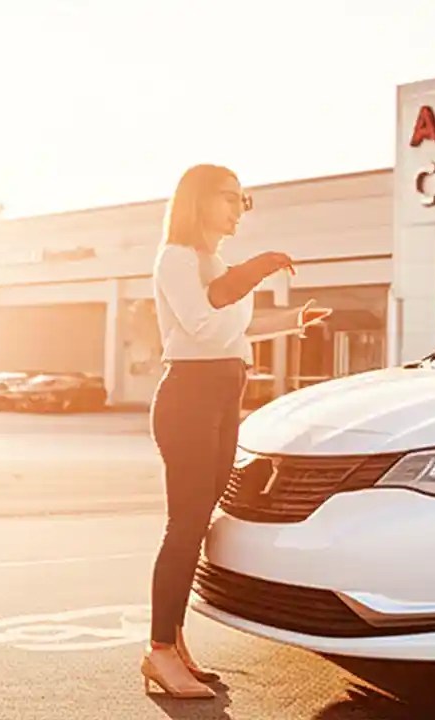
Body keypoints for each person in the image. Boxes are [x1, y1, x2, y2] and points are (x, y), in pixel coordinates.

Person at [140, 163, 296, 699]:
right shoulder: (177, 259)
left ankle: (174, 642)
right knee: (184, 525)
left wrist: (293, 321)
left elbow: (234, 326)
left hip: (226, 394)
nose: (238, 208)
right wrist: (250, 274)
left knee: (199, 518)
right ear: (198, 200)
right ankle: (159, 652)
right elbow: (204, 326)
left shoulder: (217, 264)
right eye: (229, 198)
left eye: (242, 200)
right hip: (189, 397)